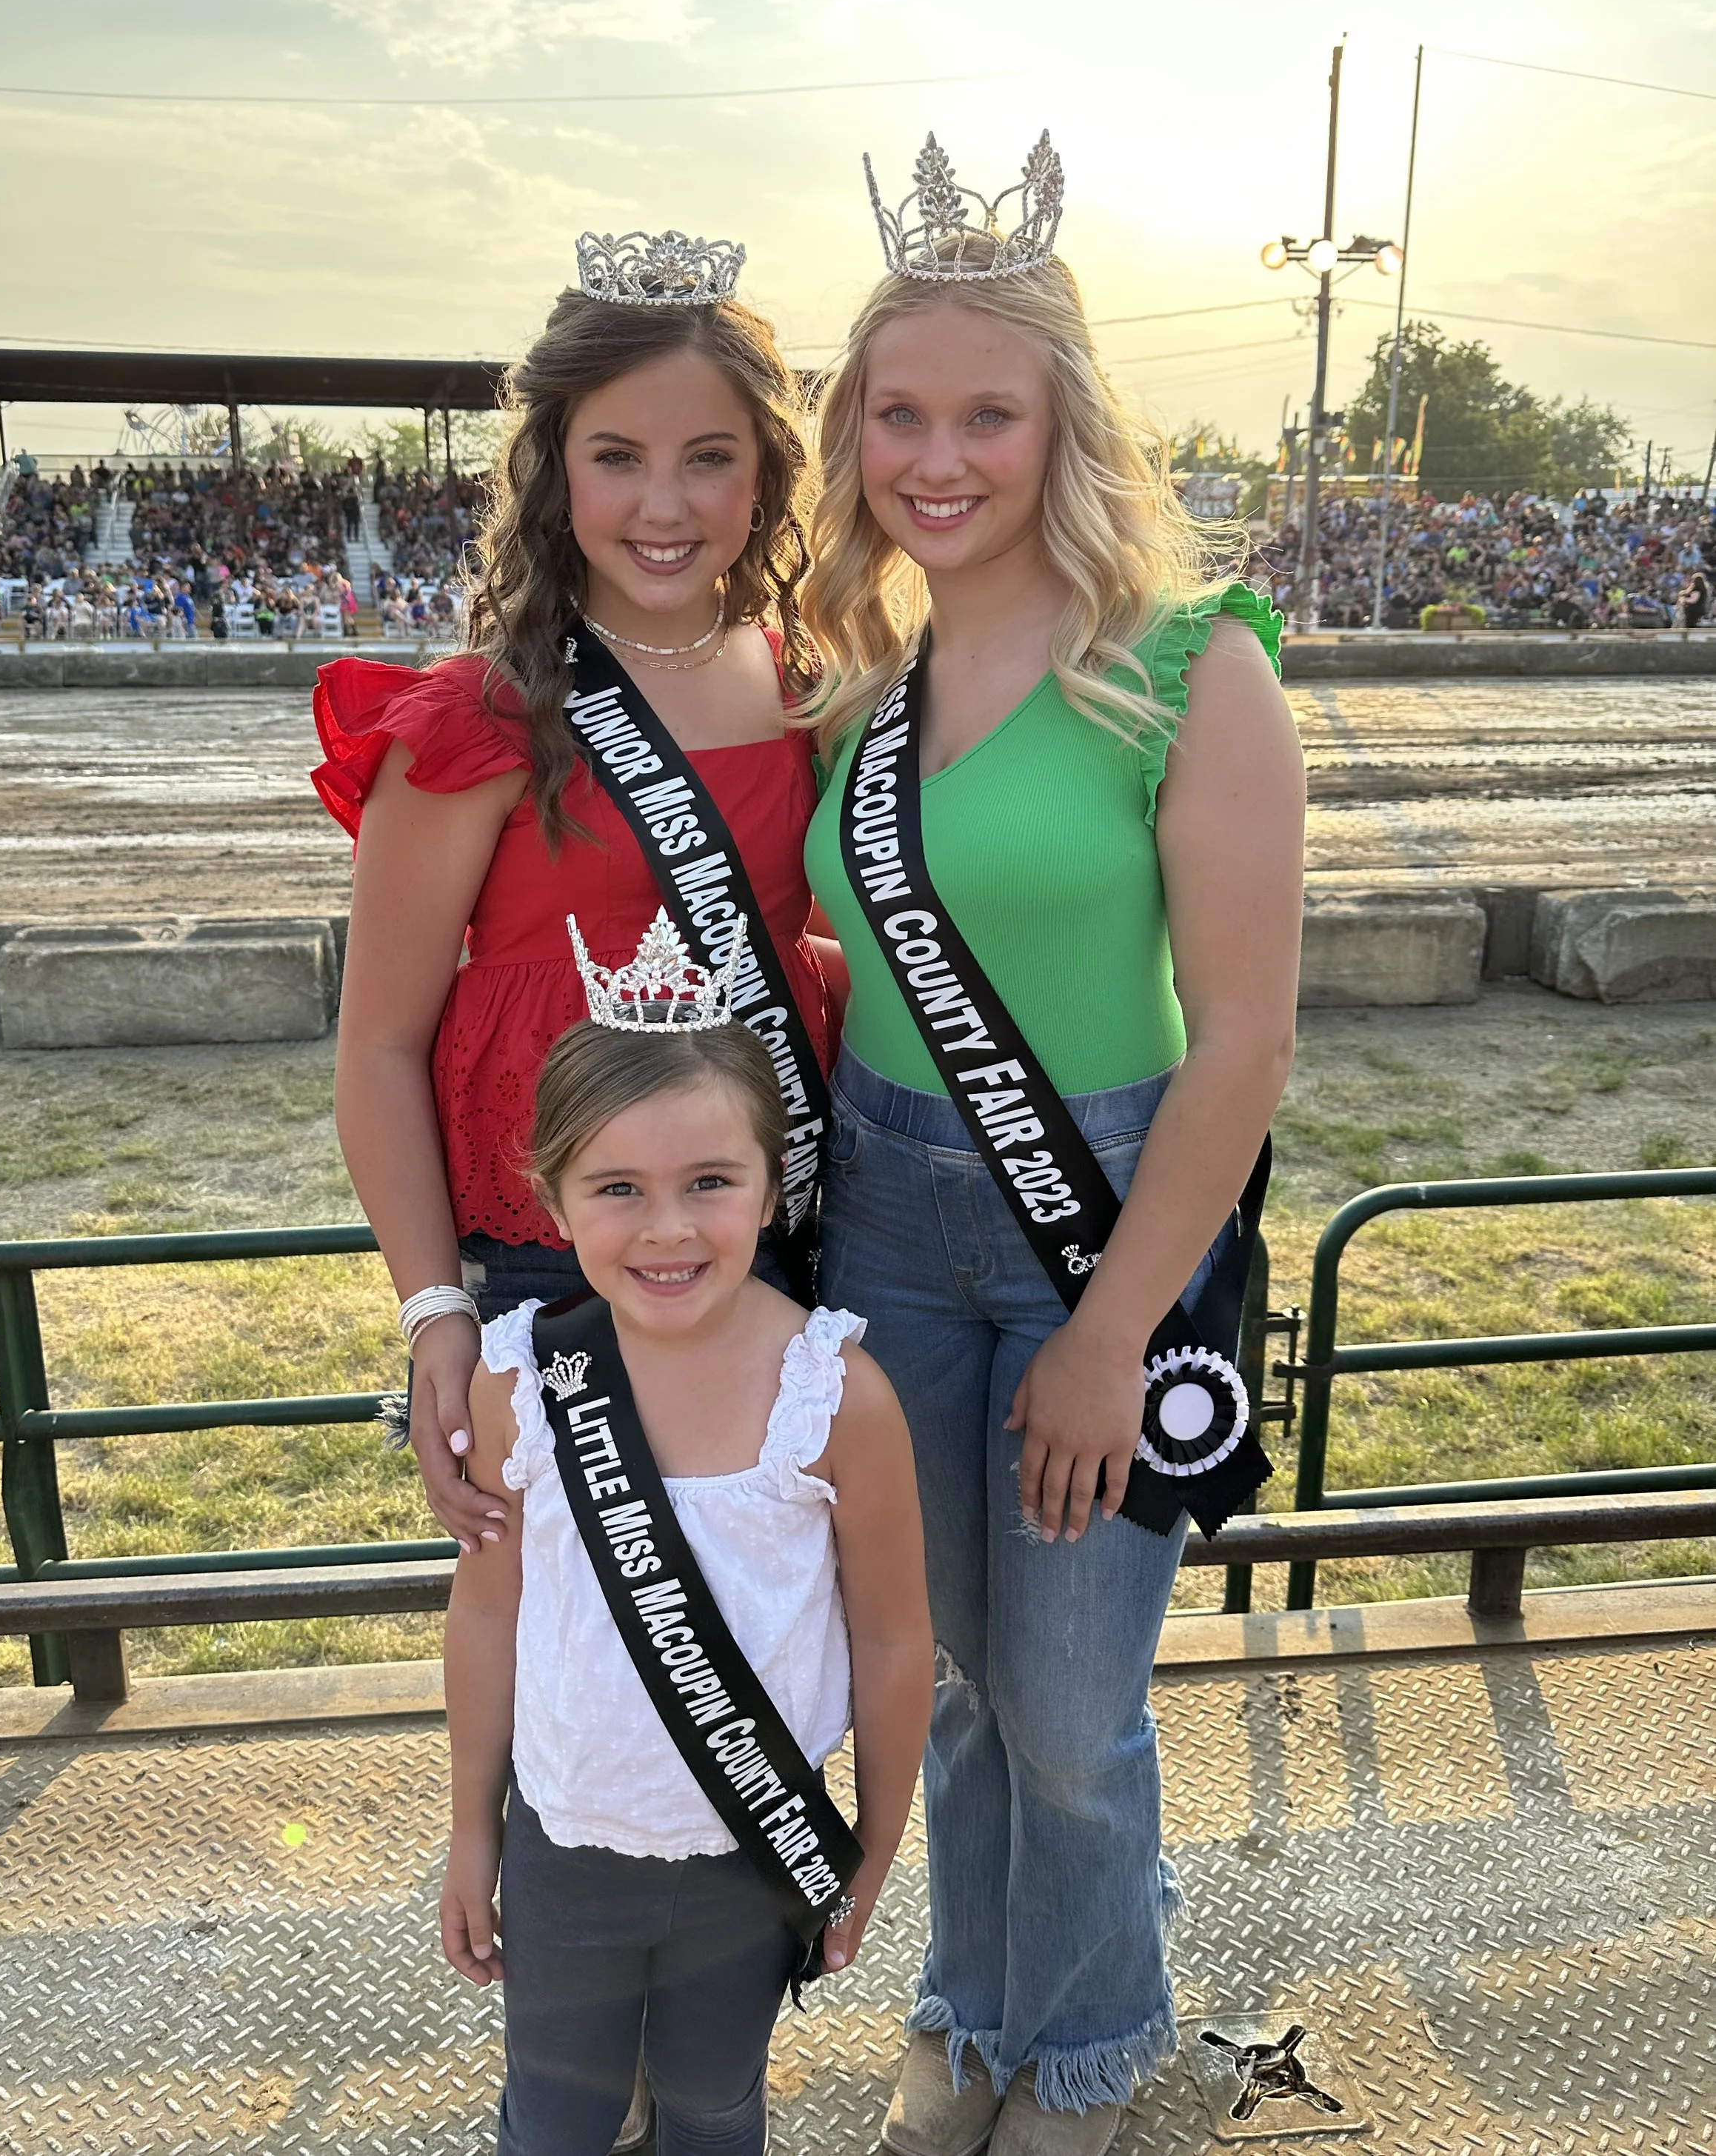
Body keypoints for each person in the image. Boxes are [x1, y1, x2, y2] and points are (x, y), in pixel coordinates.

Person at [798, 136, 1306, 2154]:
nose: (938, 455)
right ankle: (974, 2009)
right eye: (897, 413)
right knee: (943, 1683)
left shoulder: (1196, 667)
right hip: (882, 1227)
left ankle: (1096, 2048)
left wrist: (1111, 1327)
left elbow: (1247, 1039)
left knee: (1079, 1711)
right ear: (851, 435)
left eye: (984, 413)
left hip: (1108, 1223)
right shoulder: (858, 682)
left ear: (1061, 423)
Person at [312, 227, 837, 1566]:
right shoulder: (483, 718)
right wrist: (434, 1307)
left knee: (769, 1626)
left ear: (766, 469)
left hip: (788, 1218)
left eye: (709, 457)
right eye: (619, 458)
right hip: (558, 1247)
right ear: (553, 471)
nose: (665, 504)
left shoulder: (820, 685)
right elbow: (376, 1043)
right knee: (577, 1642)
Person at [438, 950, 932, 2156]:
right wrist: (468, 1830)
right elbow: (490, 1605)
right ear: (550, 1202)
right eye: (618, 1189)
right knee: (556, 2116)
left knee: (715, 2108)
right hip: (564, 1842)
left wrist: (872, 1848)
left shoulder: (837, 1395)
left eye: (710, 1181)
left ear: (774, 1189)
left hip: (748, 1855)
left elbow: (892, 1634)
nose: (668, 1229)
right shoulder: (523, 1380)